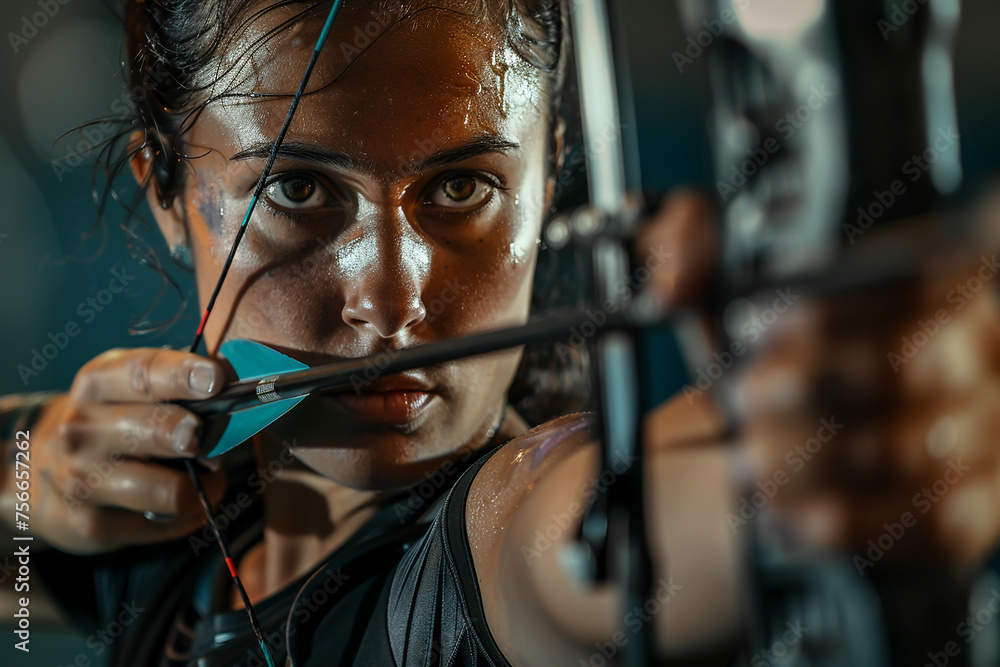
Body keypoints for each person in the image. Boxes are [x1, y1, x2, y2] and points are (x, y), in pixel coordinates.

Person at [3, 0, 1000, 665]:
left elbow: (602, 539)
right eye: (298, 190)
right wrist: (31, 472)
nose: (389, 301)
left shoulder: (505, 533)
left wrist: (799, 457)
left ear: (547, 174)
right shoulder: (158, 509)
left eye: (462, 187)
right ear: (167, 189)